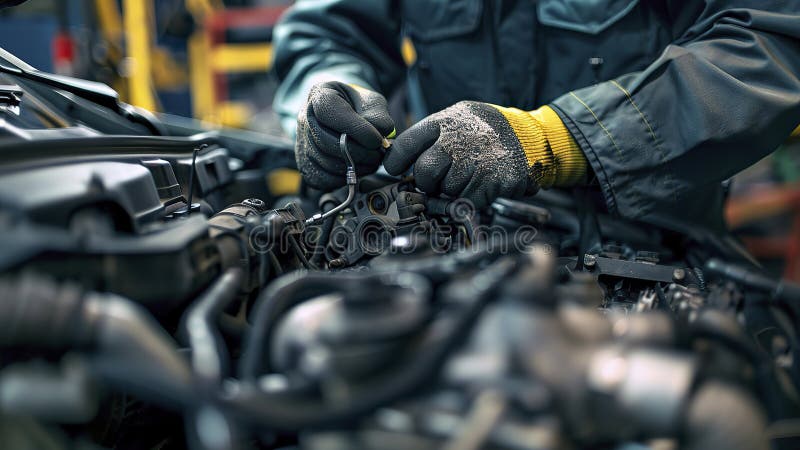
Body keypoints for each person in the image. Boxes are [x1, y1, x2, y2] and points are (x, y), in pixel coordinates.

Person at [272, 0, 800, 230]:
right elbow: (326, 31)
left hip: (650, 247)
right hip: (442, 230)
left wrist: (558, 138)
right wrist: (331, 94)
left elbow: (766, 44)